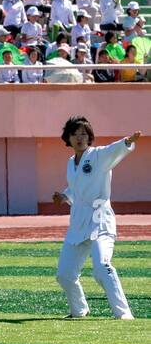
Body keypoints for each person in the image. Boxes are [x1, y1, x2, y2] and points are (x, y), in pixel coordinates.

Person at [52, 117, 141, 319]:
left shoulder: (98, 156)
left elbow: (113, 150)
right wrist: (64, 196)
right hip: (78, 223)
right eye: (75, 134)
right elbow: (76, 189)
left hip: (100, 221)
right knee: (64, 275)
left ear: (89, 136)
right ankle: (79, 310)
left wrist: (127, 141)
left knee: (102, 268)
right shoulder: (70, 163)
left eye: (84, 133)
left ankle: (124, 314)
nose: (79, 137)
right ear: (68, 138)